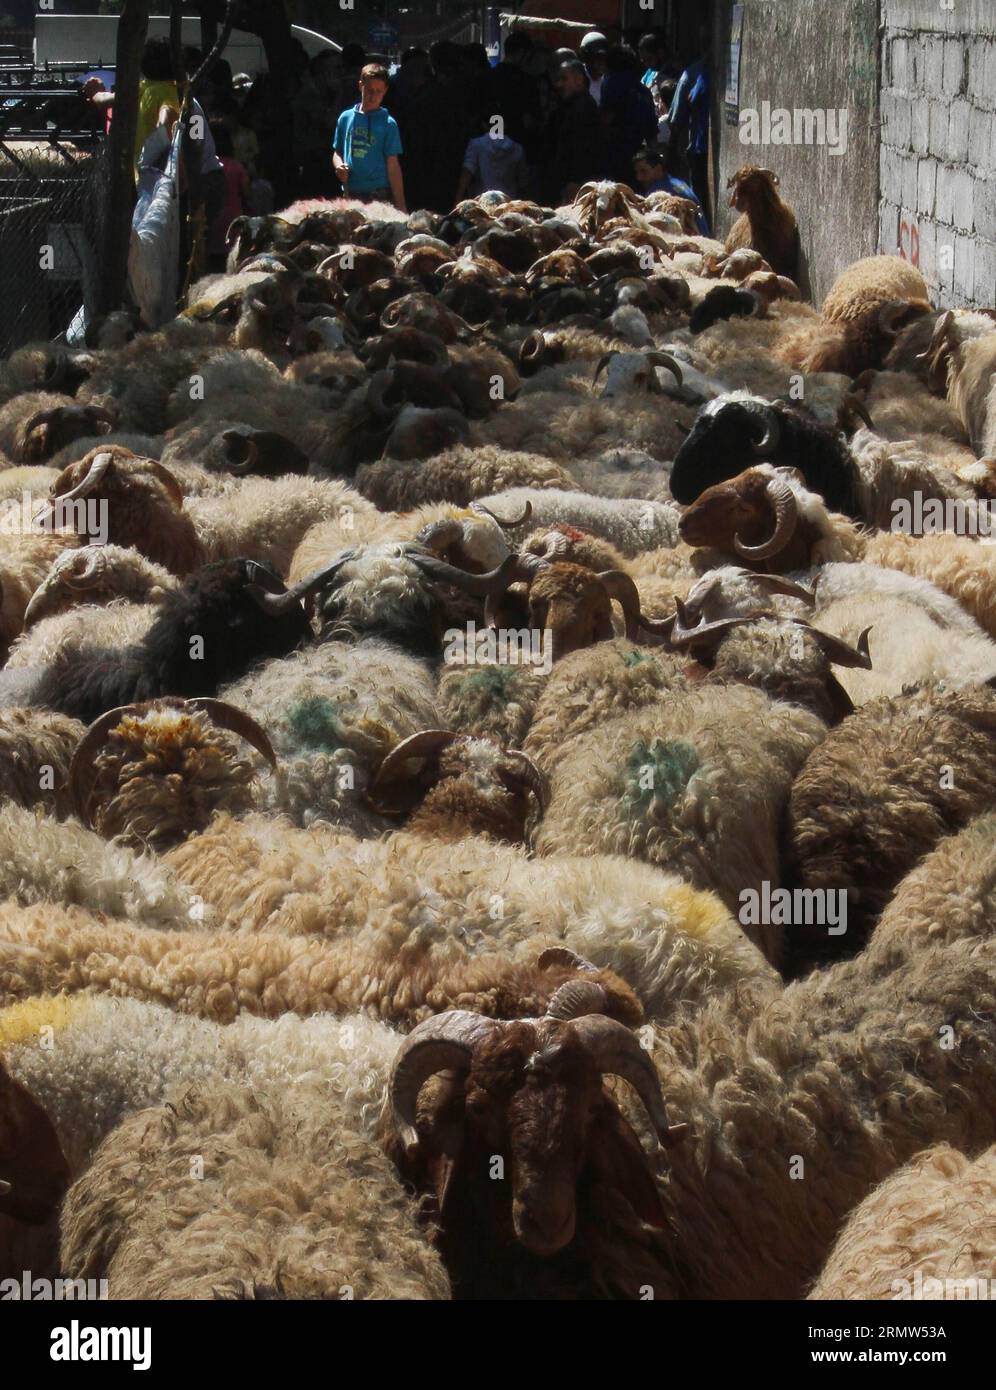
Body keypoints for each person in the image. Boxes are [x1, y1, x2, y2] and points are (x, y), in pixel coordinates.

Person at [82, 36, 178, 175]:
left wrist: (95, 91)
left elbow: (103, 100)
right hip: (161, 173)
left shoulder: (145, 90)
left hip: (155, 174)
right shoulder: (171, 90)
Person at [333, 63, 406, 211]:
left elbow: (393, 165)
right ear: (360, 86)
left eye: (378, 91)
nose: (373, 96)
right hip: (351, 192)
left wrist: (401, 205)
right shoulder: (345, 118)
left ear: (385, 91)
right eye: (369, 90)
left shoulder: (388, 124)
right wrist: (339, 165)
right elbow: (337, 152)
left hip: (378, 194)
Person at [545, 59, 604, 204]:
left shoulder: (583, 107)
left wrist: (576, 181)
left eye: (564, 79)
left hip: (578, 185)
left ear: (578, 80)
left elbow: (584, 147)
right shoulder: (569, 107)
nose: (559, 84)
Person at [669, 23, 711, 217]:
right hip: (700, 148)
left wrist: (675, 152)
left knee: (696, 206)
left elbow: (676, 118)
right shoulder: (699, 74)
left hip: (697, 148)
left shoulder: (691, 74)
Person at [600, 45, 657, 184]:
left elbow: (606, 119)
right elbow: (651, 133)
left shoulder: (611, 82)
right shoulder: (644, 91)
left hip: (614, 154)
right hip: (637, 156)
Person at [631, 144, 708, 233]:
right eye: (637, 172)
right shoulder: (677, 182)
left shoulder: (658, 192)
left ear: (658, 169)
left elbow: (656, 223)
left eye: (644, 171)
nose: (639, 177)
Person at [207, 120, 249, 266]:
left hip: (212, 221)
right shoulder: (236, 166)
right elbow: (246, 193)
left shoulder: (207, 169)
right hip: (233, 223)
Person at [454, 120, 527, 202]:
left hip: (482, 205)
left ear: (484, 124)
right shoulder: (517, 148)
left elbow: (466, 175)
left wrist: (457, 203)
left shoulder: (477, 144)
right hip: (508, 205)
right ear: (504, 125)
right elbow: (523, 183)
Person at [578, 31, 609, 106]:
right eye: (596, 58)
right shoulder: (578, 80)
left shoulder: (607, 81)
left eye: (603, 58)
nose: (600, 63)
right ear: (585, 57)